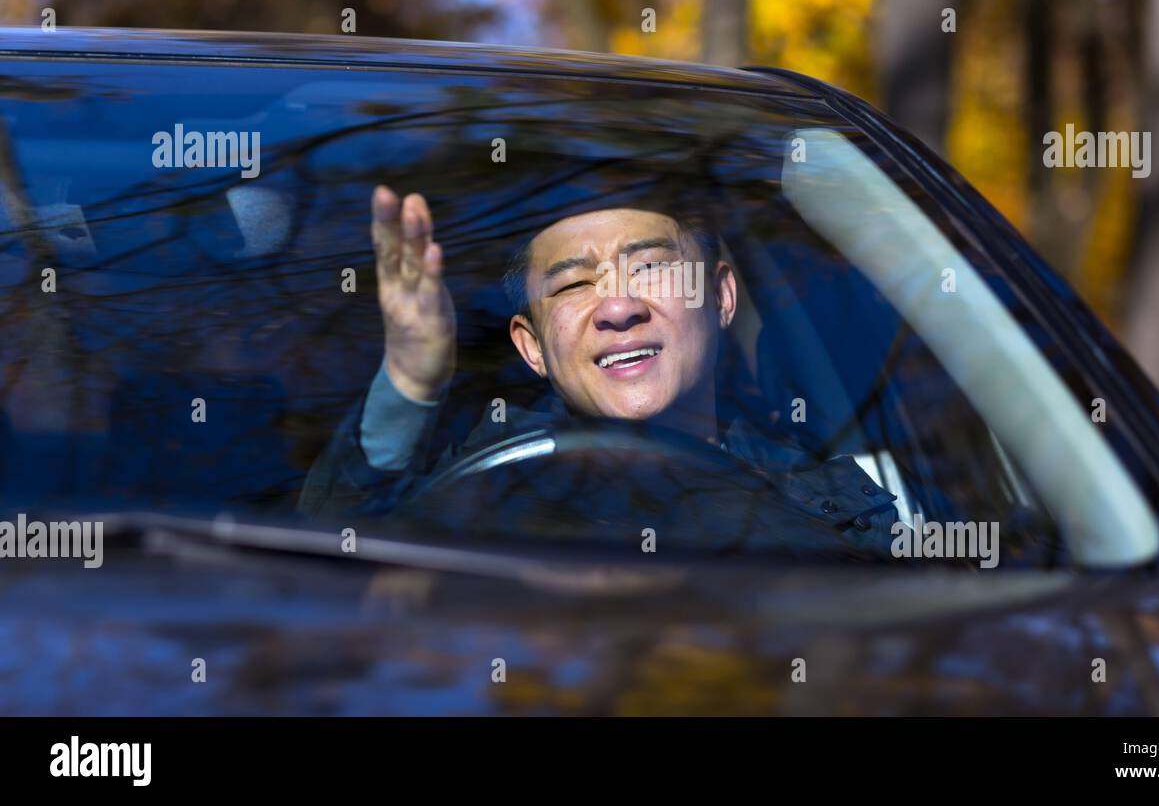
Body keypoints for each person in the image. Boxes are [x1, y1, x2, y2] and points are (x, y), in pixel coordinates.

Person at [298, 184, 900, 558]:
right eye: (574, 284)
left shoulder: (828, 499)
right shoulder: (470, 497)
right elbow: (326, 569)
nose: (617, 306)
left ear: (720, 299)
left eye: (649, 269)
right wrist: (410, 378)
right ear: (531, 348)